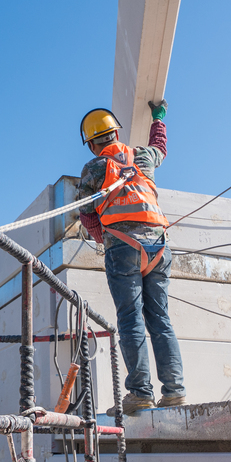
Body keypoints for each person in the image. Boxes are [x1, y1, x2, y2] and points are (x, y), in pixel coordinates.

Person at [76, 101, 186, 414]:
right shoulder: (143, 156)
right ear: (115, 133)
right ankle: (175, 391)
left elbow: (86, 213)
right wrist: (159, 117)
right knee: (160, 319)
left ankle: (140, 393)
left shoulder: (95, 168)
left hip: (123, 248)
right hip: (159, 247)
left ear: (93, 143)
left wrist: (103, 238)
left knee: (130, 319)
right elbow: (160, 146)